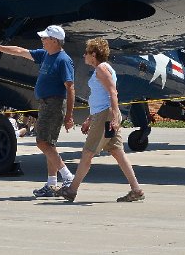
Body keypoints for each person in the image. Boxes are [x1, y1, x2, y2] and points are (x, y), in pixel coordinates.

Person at [0, 24, 75, 197]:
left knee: (42, 142)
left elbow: (70, 88)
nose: (42, 40)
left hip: (54, 104)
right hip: (45, 104)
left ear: (54, 40)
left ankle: (67, 176)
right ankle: (52, 184)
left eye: (45, 38)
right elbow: (19, 51)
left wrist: (69, 115)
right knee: (49, 145)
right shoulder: (45, 55)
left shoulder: (63, 60)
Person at [60, 38, 144, 203]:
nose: (83, 55)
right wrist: (90, 118)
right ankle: (136, 190)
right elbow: (102, 96)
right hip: (103, 114)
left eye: (86, 52)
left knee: (88, 153)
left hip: (105, 116)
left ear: (93, 54)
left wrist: (113, 115)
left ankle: (71, 190)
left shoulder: (101, 69)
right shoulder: (104, 69)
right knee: (117, 151)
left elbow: (113, 92)